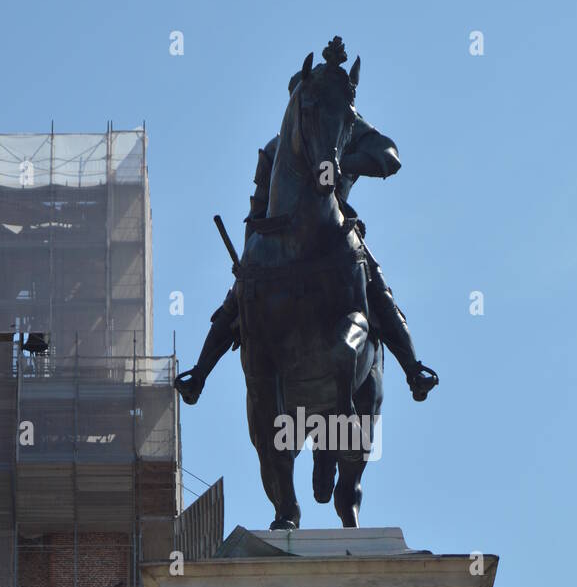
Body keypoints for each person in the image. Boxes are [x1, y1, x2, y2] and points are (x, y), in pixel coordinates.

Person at [175, 70, 438, 406]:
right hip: (279, 239)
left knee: (375, 284)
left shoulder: (346, 130)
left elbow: (390, 156)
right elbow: (257, 212)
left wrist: (343, 160)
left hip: (336, 233)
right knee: (236, 298)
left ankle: (413, 369)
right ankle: (199, 374)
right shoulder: (274, 150)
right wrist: (248, 261)